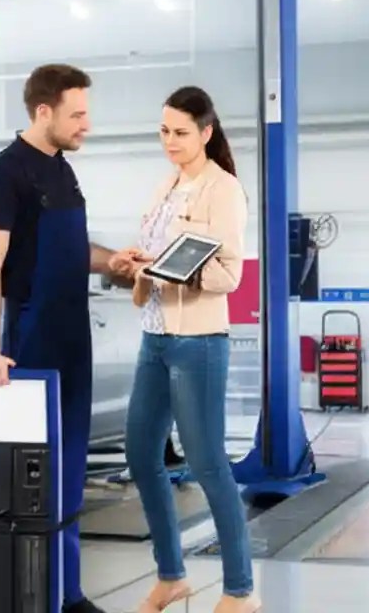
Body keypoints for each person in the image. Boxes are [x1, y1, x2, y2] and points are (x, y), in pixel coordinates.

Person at [0, 62, 137, 613]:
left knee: (69, 470)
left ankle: (67, 592)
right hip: (33, 336)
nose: (87, 124)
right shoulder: (6, 174)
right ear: (44, 111)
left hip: (74, 335)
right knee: (34, 475)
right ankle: (32, 593)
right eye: (78, 114)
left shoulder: (62, 168)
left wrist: (110, 259)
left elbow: (71, 249)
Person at [110, 86, 259, 613]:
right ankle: (171, 577)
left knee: (208, 462)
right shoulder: (168, 183)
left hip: (198, 342)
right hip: (156, 336)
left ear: (206, 133)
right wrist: (136, 262)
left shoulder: (223, 190)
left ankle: (240, 591)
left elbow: (228, 275)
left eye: (180, 132)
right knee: (140, 454)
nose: (170, 141)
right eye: (164, 131)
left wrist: (165, 267)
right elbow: (156, 252)